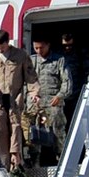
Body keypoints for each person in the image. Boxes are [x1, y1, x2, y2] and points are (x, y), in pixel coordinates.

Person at [0, 28, 33, 167]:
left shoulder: (21, 56)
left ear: (7, 42)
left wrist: (34, 93)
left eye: (2, 46)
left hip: (15, 101)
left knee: (16, 131)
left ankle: (18, 163)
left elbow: (31, 77)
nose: (0, 50)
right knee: (0, 135)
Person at [29, 31, 71, 162]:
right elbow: (26, 82)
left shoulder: (59, 60)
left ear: (48, 45)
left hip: (53, 102)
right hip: (35, 103)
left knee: (58, 133)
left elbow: (67, 82)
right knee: (33, 135)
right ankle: (34, 163)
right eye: (36, 48)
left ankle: (62, 160)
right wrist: (31, 94)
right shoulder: (31, 61)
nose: (39, 51)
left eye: (41, 47)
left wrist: (60, 96)